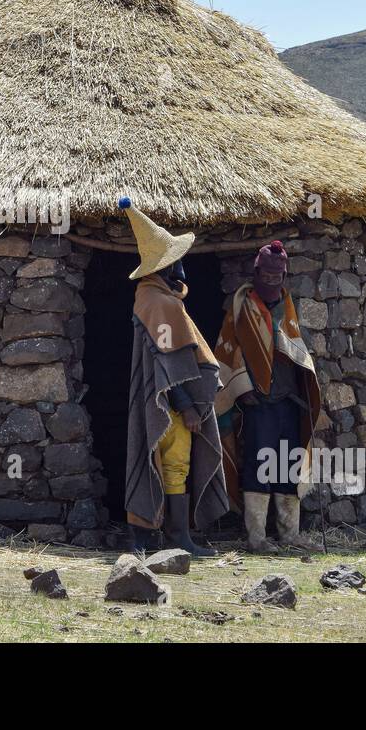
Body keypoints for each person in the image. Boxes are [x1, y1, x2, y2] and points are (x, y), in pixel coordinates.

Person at [119, 197, 228, 557]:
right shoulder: (163, 304)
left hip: (154, 397)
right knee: (175, 463)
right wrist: (188, 406)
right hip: (169, 402)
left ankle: (149, 538)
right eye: (177, 260)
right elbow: (172, 360)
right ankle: (177, 536)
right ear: (167, 266)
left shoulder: (149, 296)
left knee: (152, 459)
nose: (182, 266)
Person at [213, 240, 325, 553]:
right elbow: (228, 348)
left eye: (279, 273)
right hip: (257, 401)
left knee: (288, 464)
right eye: (268, 273)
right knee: (259, 464)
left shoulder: (287, 306)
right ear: (257, 271)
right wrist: (243, 389)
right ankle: (257, 538)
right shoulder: (241, 306)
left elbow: (295, 346)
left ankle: (289, 535)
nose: (273, 278)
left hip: (290, 401)